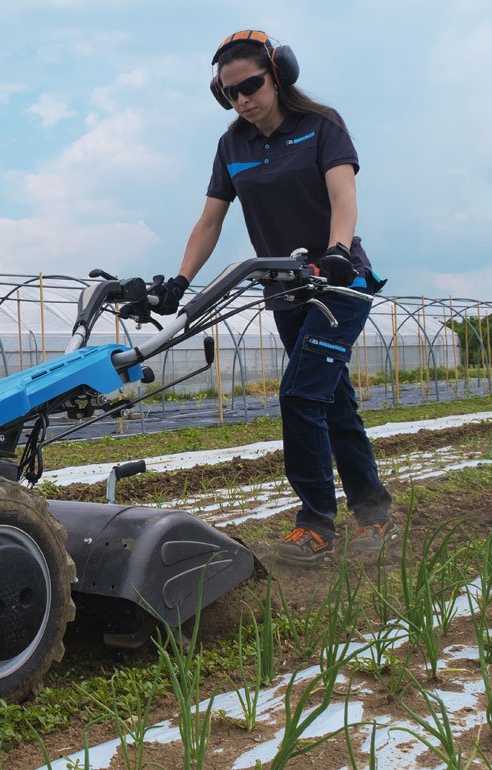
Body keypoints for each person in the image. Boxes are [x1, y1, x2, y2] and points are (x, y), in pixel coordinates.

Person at [151, 29, 394, 566]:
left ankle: (315, 522)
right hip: (284, 291)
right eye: (229, 93)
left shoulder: (321, 126)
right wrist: (180, 280)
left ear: (279, 75)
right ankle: (374, 509)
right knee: (334, 400)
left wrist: (335, 251)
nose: (242, 99)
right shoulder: (231, 145)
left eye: (251, 85)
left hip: (337, 285)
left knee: (301, 395)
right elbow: (211, 218)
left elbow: (343, 195)